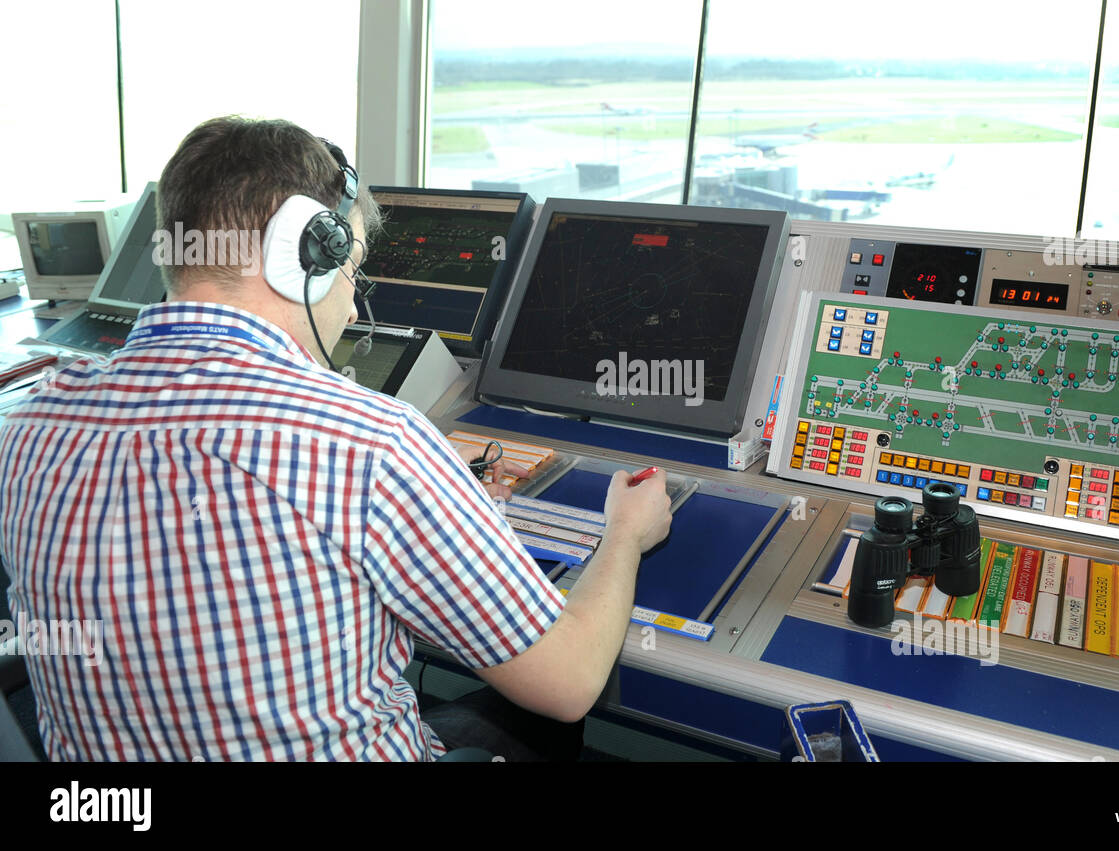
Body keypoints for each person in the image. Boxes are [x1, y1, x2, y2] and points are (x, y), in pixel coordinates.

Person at [0, 116, 671, 761]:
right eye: (351, 269)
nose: (351, 306)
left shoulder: (29, 426)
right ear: (305, 257)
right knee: (540, 722)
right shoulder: (372, 445)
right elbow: (570, 681)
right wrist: (624, 533)